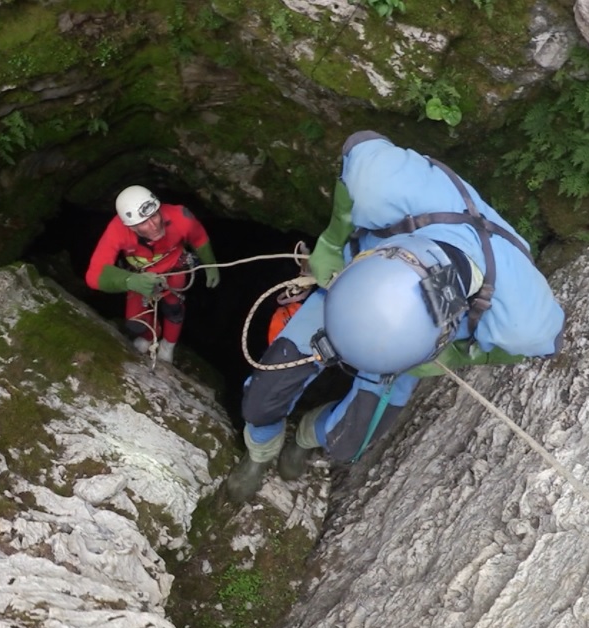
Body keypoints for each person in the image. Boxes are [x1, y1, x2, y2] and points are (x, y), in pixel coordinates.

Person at [226, 130, 565, 500]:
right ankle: (261, 451)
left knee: (347, 444)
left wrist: (460, 355)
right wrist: (332, 241)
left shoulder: (522, 320)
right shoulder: (380, 184)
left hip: (405, 345)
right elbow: (358, 154)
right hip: (353, 293)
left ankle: (306, 436)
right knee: (262, 398)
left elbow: (534, 347)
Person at [85, 185, 220, 364]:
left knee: (174, 310)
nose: (154, 225)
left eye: (154, 216)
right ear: (131, 227)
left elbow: (199, 238)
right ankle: (151, 335)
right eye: (143, 223)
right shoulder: (117, 230)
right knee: (135, 322)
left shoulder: (180, 217)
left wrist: (211, 264)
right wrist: (130, 281)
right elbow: (94, 275)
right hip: (140, 276)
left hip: (174, 269)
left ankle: (168, 346)